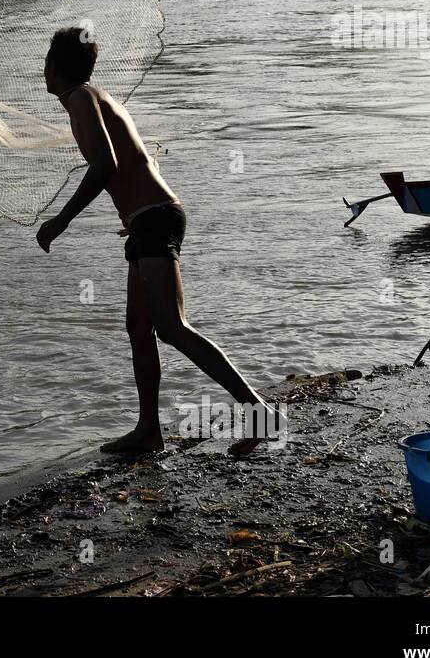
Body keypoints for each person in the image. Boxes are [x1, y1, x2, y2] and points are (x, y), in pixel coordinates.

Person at [35, 27, 275, 456]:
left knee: (172, 327)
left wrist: (62, 220)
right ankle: (149, 431)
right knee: (139, 328)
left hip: (156, 219)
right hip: (149, 220)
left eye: (47, 59)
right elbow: (130, 164)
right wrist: (134, 215)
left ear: (55, 67)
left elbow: (105, 164)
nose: (44, 68)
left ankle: (258, 412)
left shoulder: (80, 99)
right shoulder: (93, 97)